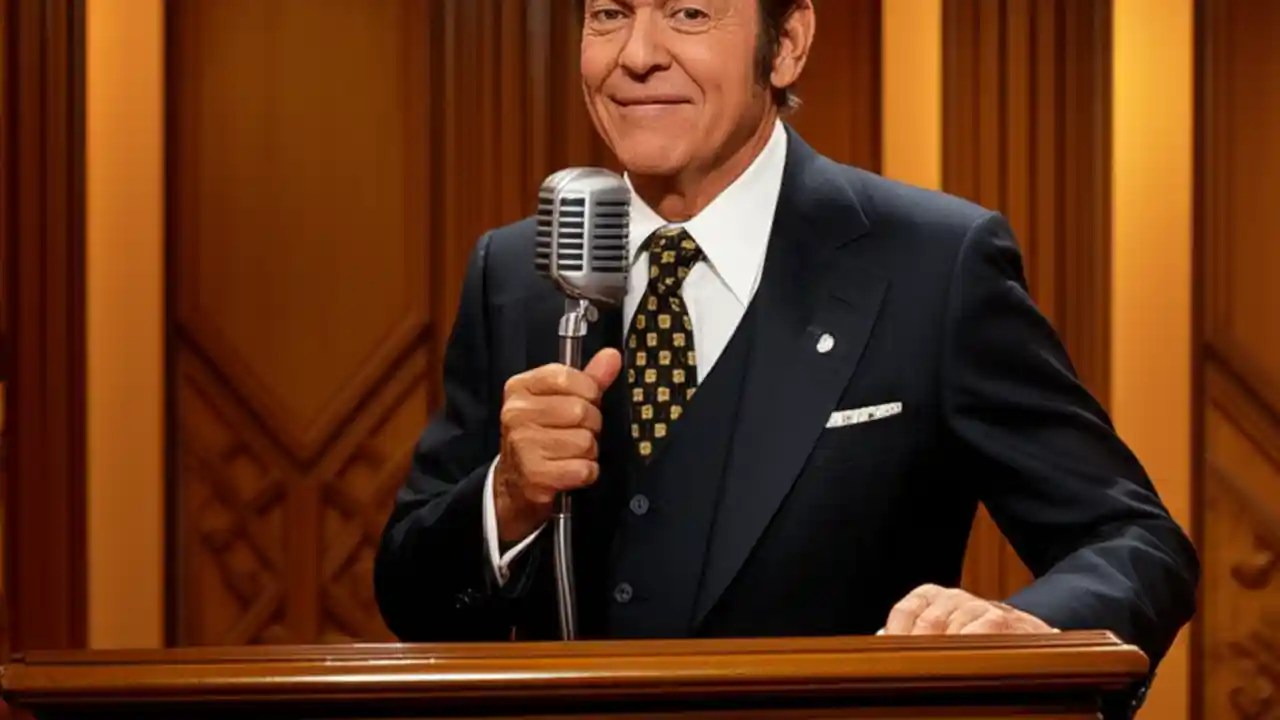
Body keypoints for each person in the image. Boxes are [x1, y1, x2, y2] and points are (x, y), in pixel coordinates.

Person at [375, 0, 1196, 697]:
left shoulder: (930, 264)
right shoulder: (518, 272)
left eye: (689, 12)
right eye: (609, 14)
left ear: (789, 42)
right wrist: (506, 498)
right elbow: (412, 594)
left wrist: (1022, 631)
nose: (637, 56)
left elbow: (1135, 543)